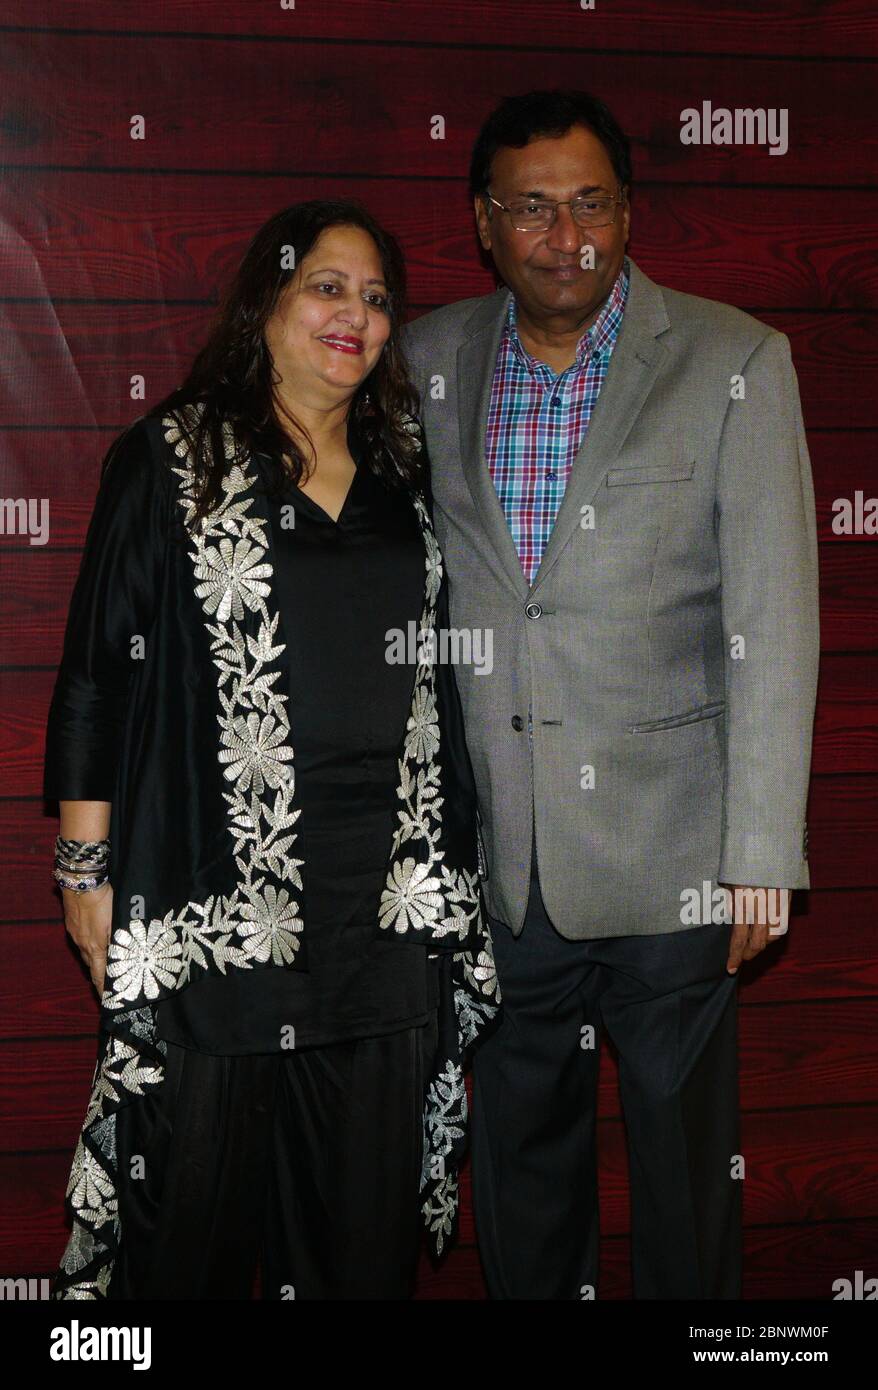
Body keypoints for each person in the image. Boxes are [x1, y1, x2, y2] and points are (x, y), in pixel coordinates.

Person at [402, 89, 819, 1299]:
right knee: (523, 1184)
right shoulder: (428, 361)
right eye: (530, 207)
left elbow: (774, 623)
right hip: (502, 862)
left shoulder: (736, 360)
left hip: (678, 857)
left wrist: (761, 854)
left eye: (588, 202)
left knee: (689, 1190)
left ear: (628, 213)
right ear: (485, 223)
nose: (562, 233)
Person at [43, 199, 499, 1301]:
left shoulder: (409, 476)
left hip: (381, 927)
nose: (358, 315)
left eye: (378, 297)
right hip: (217, 918)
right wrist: (83, 868)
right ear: (267, 303)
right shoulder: (172, 457)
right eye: (328, 288)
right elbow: (98, 672)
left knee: (358, 1253)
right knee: (181, 1245)